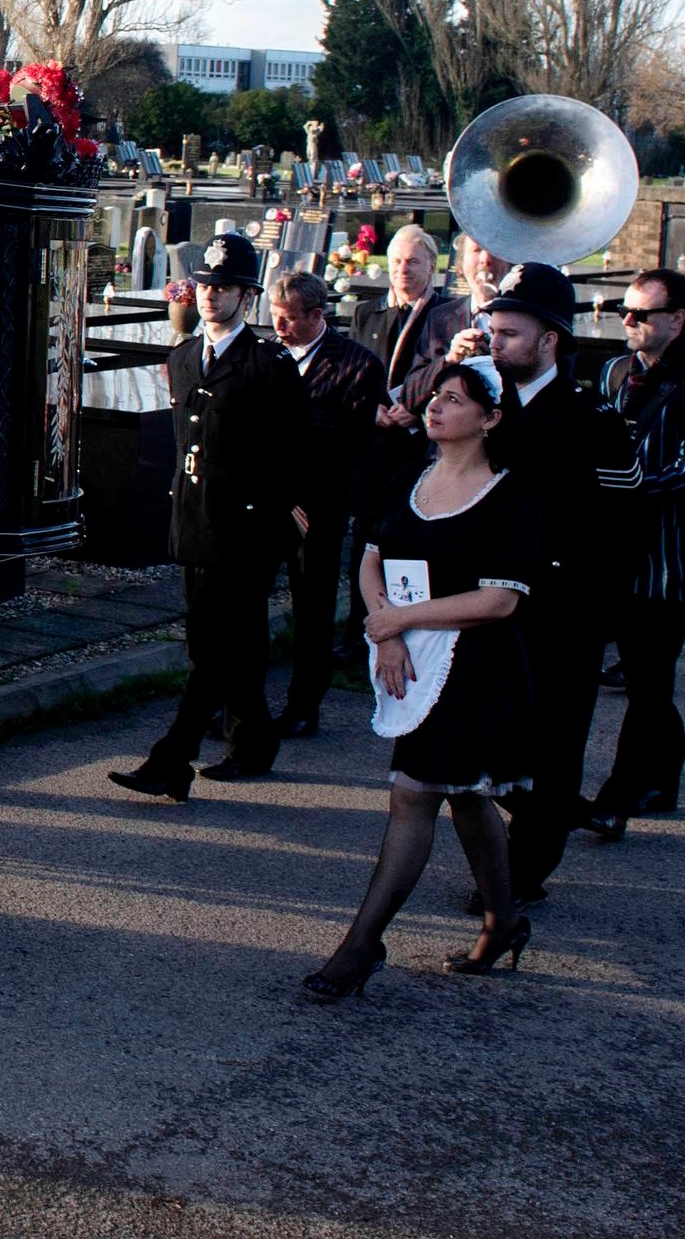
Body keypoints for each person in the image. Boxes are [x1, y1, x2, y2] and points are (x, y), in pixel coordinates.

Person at [298, 358, 542, 1002]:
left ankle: (360, 947)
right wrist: (387, 631)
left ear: (491, 419)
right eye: (436, 395)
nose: (435, 405)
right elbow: (371, 559)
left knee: (414, 792)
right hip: (411, 656)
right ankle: (503, 922)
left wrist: (398, 620)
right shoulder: (410, 476)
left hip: (476, 666)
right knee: (464, 794)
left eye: (455, 399)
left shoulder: (512, 495)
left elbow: (499, 600)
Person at [452, 264, 632, 904]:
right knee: (482, 740)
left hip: (562, 607)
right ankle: (533, 831)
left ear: (550, 340)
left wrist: (600, 614)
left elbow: (620, 523)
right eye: (493, 331)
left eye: (510, 334)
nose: (495, 343)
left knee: (553, 746)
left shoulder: (592, 416)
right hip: (486, 602)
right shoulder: (481, 405)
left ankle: (520, 874)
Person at [112, 232, 311, 799]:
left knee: (210, 645)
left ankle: (171, 758)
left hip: (247, 530)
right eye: (204, 284)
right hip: (196, 522)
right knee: (233, 642)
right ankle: (254, 742)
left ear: (246, 297)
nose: (210, 295)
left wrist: (277, 522)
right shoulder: (182, 358)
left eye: (224, 287)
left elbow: (294, 454)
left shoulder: (268, 364)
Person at [587, 269, 685, 836]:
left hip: (674, 561)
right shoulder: (613, 373)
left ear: (677, 319)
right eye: (624, 310)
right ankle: (664, 778)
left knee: (648, 680)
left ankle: (617, 796)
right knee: (649, 679)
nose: (628, 321)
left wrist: (619, 486)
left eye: (641, 314)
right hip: (615, 553)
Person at [271, 270, 384, 737]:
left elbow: (346, 440)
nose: (279, 327)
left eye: (289, 318)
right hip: (267, 501)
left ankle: (304, 704)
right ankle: (239, 706)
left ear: (317, 315)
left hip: (318, 505)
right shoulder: (268, 354)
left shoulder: (358, 365)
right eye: (274, 316)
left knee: (313, 608)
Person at [353, 225, 473, 436]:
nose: (403, 269)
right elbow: (353, 372)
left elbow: (456, 374)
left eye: (412, 261)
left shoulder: (449, 316)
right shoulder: (365, 314)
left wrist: (419, 410)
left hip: (426, 434)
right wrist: (370, 407)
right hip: (371, 434)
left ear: (431, 266)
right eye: (397, 261)